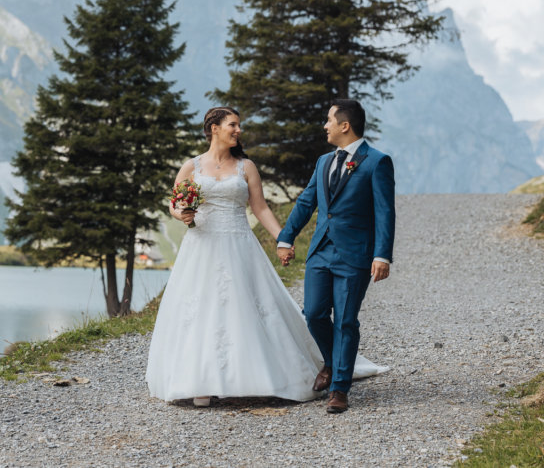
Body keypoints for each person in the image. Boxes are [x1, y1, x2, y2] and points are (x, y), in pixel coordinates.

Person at [145, 106, 385, 408]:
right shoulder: (191, 167)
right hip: (201, 247)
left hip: (238, 245)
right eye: (233, 125)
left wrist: (282, 239)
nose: (238, 130)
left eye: (239, 125)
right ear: (214, 128)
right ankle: (199, 381)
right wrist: (180, 213)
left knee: (243, 310)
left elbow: (260, 208)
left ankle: (257, 377)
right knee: (200, 310)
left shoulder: (246, 167)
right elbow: (175, 202)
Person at [277, 99, 395, 413]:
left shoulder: (376, 162)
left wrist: (382, 255)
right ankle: (331, 362)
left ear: (345, 125)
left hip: (355, 255)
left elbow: (385, 213)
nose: (325, 125)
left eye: (329, 120)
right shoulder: (323, 162)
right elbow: (306, 202)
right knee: (313, 314)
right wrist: (286, 236)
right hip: (320, 251)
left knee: (344, 320)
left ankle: (339, 388)